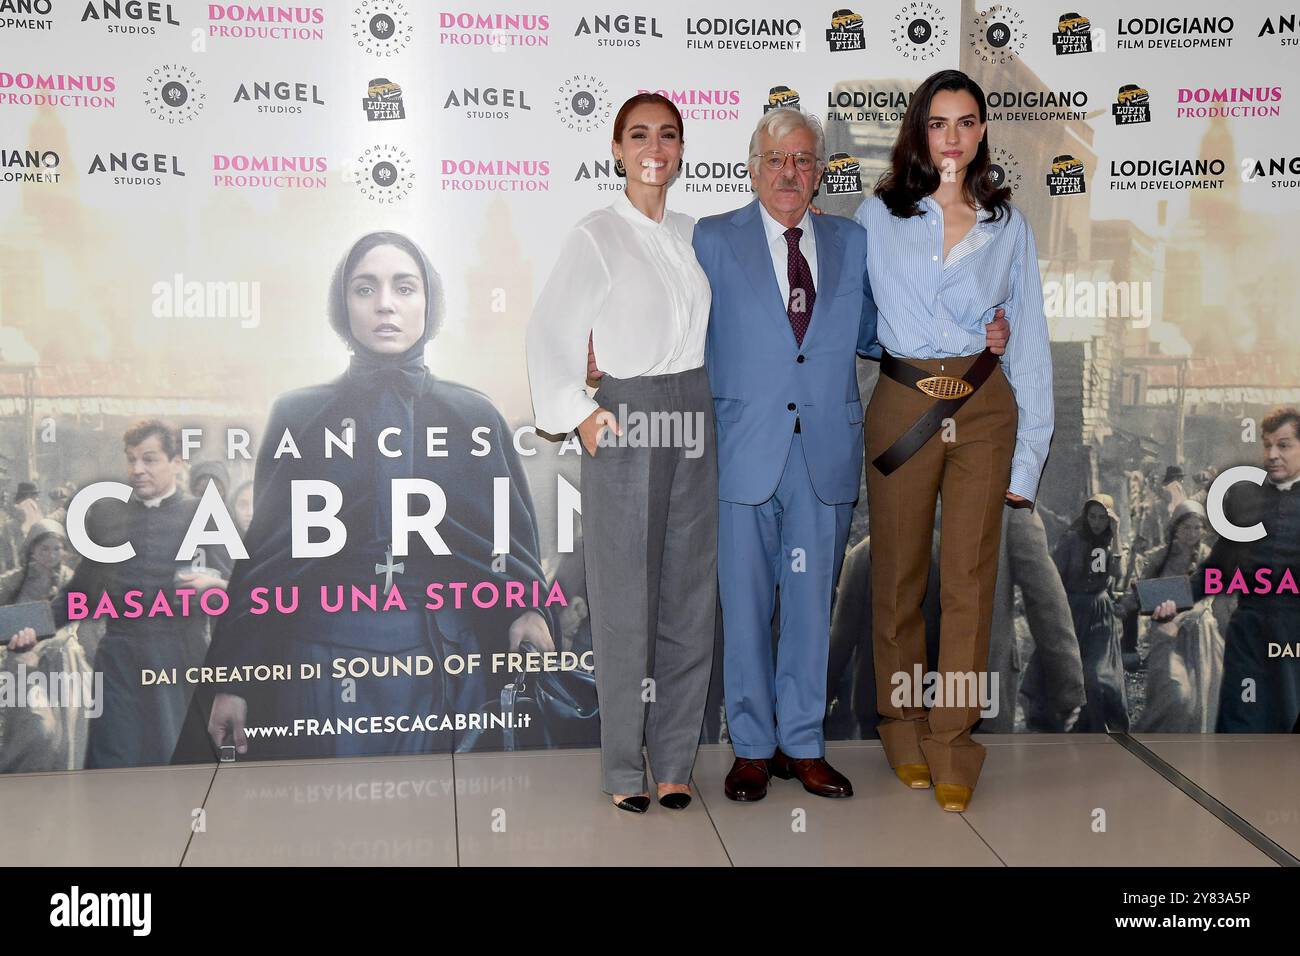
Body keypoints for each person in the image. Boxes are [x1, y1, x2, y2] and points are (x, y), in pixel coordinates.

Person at [695, 104, 1012, 804]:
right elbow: (678, 324)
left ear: (819, 172)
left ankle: (803, 744)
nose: (790, 172)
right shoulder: (710, 240)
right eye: (777, 159)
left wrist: (982, 327)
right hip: (744, 455)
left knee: (811, 605)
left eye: (804, 160)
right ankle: (751, 747)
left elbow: (892, 324)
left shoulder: (852, 240)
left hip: (826, 456)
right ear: (752, 168)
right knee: (745, 609)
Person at [182, 231, 554, 765]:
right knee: (330, 832)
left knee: (446, 830)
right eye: (365, 288)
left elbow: (507, 542)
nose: (385, 303)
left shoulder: (474, 415)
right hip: (320, 670)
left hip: (447, 670)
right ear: (342, 305)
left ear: (430, 303)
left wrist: (527, 608)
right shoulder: (298, 415)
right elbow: (267, 561)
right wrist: (236, 678)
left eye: (405, 287)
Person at [853, 69, 1053, 811]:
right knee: (897, 576)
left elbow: (1027, 335)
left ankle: (952, 736)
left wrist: (1030, 454)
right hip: (904, 401)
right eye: (939, 123)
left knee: (970, 583)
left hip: (983, 406)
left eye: (967, 122)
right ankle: (900, 723)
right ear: (920, 130)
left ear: (982, 132)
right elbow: (850, 313)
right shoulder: (878, 216)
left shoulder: (1010, 226)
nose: (954, 137)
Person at [527, 93, 715, 813]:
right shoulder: (596, 234)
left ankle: (673, 761)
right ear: (616, 148)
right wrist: (581, 414)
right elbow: (549, 333)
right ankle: (621, 768)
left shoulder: (697, 234)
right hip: (629, 415)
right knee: (623, 595)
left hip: (695, 410)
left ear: (681, 148)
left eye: (667, 135)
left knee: (690, 594)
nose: (654, 147)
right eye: (639, 135)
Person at [54, 420, 232, 768]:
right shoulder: (110, 516)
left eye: (149, 459)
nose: (137, 469)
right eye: (131, 459)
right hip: (120, 666)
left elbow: (245, 593)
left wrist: (218, 587)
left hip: (179, 666)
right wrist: (19, 624)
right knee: (114, 772)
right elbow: (77, 595)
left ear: (176, 462)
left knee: (173, 772)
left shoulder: (204, 514)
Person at [1154, 406, 1300, 732]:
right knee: (1241, 730)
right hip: (1248, 640)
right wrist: (1146, 598)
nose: (1272, 454)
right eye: (1267, 445)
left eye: (1284, 445)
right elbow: (1212, 573)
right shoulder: (1246, 503)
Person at [1130, 500, 1223, 732]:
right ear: (1175, 529)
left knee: (1202, 698)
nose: (1192, 534)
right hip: (1166, 633)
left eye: (1196, 528)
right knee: (1174, 694)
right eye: (1186, 528)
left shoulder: (1208, 557)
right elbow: (1140, 592)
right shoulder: (1159, 556)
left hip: (1200, 633)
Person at [1053, 493, 1129, 733]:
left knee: (1097, 676)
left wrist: (1116, 534)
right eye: (1092, 516)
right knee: (1075, 674)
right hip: (1073, 612)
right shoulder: (1071, 540)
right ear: (1085, 517)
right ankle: (1081, 727)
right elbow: (1054, 576)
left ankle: (1102, 726)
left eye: (1102, 518)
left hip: (1100, 614)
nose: (1097, 522)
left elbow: (1119, 574)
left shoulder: (1111, 542)